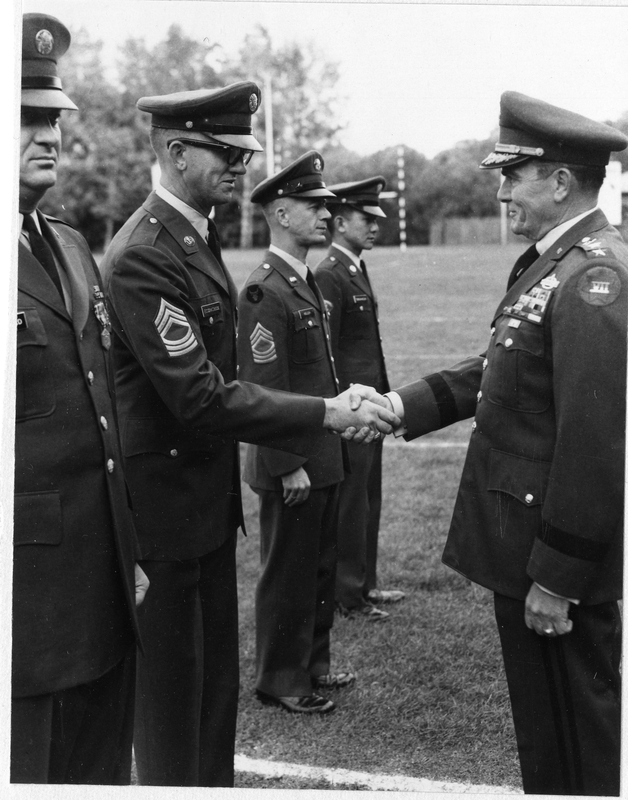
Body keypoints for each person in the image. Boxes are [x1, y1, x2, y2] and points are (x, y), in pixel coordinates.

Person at [99, 90, 397, 786]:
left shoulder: (190, 236)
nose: (242, 164)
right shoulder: (145, 252)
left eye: (245, 153)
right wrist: (323, 414)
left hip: (199, 506)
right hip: (165, 512)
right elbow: (200, 394)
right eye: (227, 153)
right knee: (175, 707)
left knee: (211, 699)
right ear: (176, 152)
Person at [384, 91, 627, 795]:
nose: (500, 192)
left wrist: (558, 575)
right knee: (547, 737)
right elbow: (502, 368)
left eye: (513, 175)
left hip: (552, 564)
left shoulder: (593, 277)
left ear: (558, 182)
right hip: (526, 547)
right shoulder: (552, 263)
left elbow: (594, 443)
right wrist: (406, 403)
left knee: (578, 741)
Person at [13, 13, 149, 784]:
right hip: (21, 607)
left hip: (98, 583)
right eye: (23, 118)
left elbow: (101, 410)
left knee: (97, 772)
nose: (48, 136)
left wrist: (122, 549)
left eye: (52, 117)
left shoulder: (63, 240)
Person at [238, 151, 357, 716]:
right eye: (313, 206)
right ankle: (281, 678)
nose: (326, 215)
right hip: (294, 459)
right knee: (289, 571)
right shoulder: (265, 290)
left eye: (327, 207)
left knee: (320, 564)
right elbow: (263, 387)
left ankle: (314, 663)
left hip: (321, 450)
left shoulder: (302, 281)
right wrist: (287, 464)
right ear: (281, 213)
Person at [315, 177, 405, 621]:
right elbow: (327, 349)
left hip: (371, 407)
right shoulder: (331, 272)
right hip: (352, 411)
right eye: (366, 219)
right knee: (353, 500)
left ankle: (364, 584)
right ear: (340, 221)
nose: (374, 227)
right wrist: (342, 409)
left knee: (368, 496)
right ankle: (348, 594)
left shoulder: (352, 266)